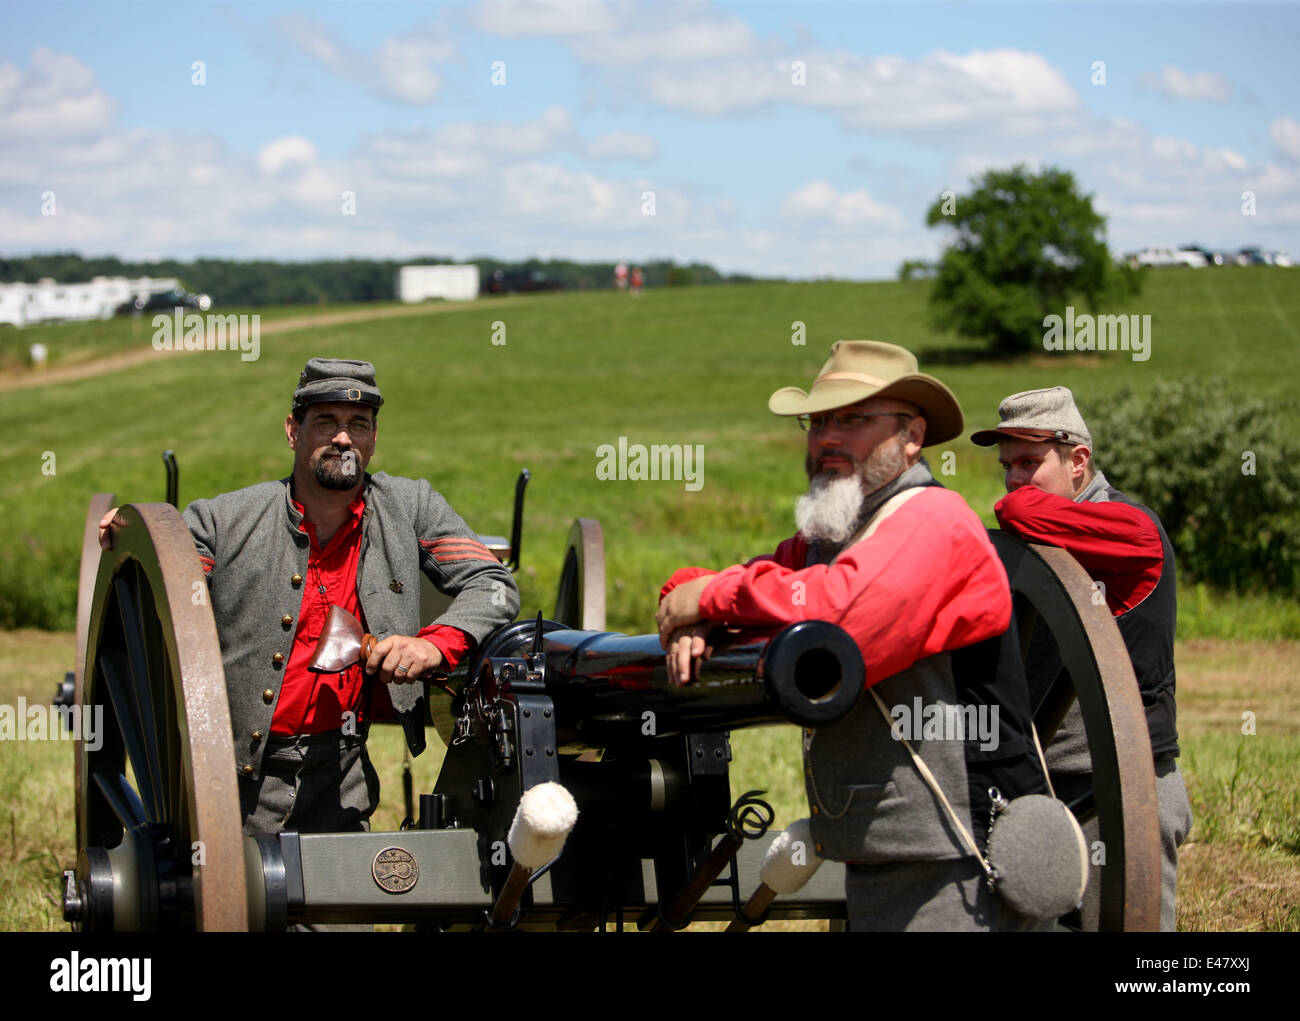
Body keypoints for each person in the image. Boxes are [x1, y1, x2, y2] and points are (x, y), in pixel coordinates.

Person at [655, 340, 1048, 931]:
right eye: (818, 421)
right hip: (878, 846)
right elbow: (738, 579)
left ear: (912, 436)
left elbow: (839, 624)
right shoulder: (834, 537)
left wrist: (710, 600)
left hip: (959, 853)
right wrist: (699, 607)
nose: (827, 439)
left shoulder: (933, 522)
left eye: (854, 419)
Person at [100, 358, 520, 840]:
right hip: (235, 779)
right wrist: (144, 534)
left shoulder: (411, 508)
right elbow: (165, 574)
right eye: (325, 422)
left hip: (341, 776)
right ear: (292, 430)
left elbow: (492, 581)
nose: (343, 438)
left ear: (374, 438)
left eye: (358, 425)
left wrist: (435, 644)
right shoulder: (224, 521)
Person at [971, 385, 1192, 930]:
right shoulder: (1046, 533)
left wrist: (1015, 500)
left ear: (1079, 460)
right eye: (1007, 466)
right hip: (1045, 778)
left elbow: (1019, 510)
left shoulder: (1133, 527)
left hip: (1118, 782)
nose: (1016, 478)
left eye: (1029, 461)